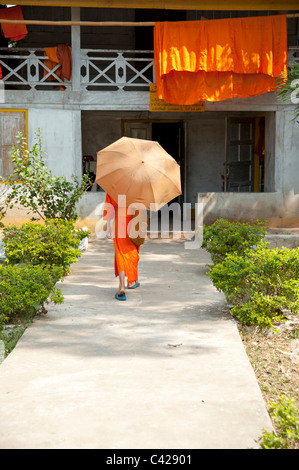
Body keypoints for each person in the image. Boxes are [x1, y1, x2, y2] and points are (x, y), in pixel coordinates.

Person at [103, 193, 140, 301]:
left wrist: (109, 227)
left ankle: (122, 286)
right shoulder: (135, 185)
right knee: (132, 252)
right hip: (132, 222)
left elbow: (109, 208)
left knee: (120, 252)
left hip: (119, 222)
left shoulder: (113, 185)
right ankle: (131, 281)